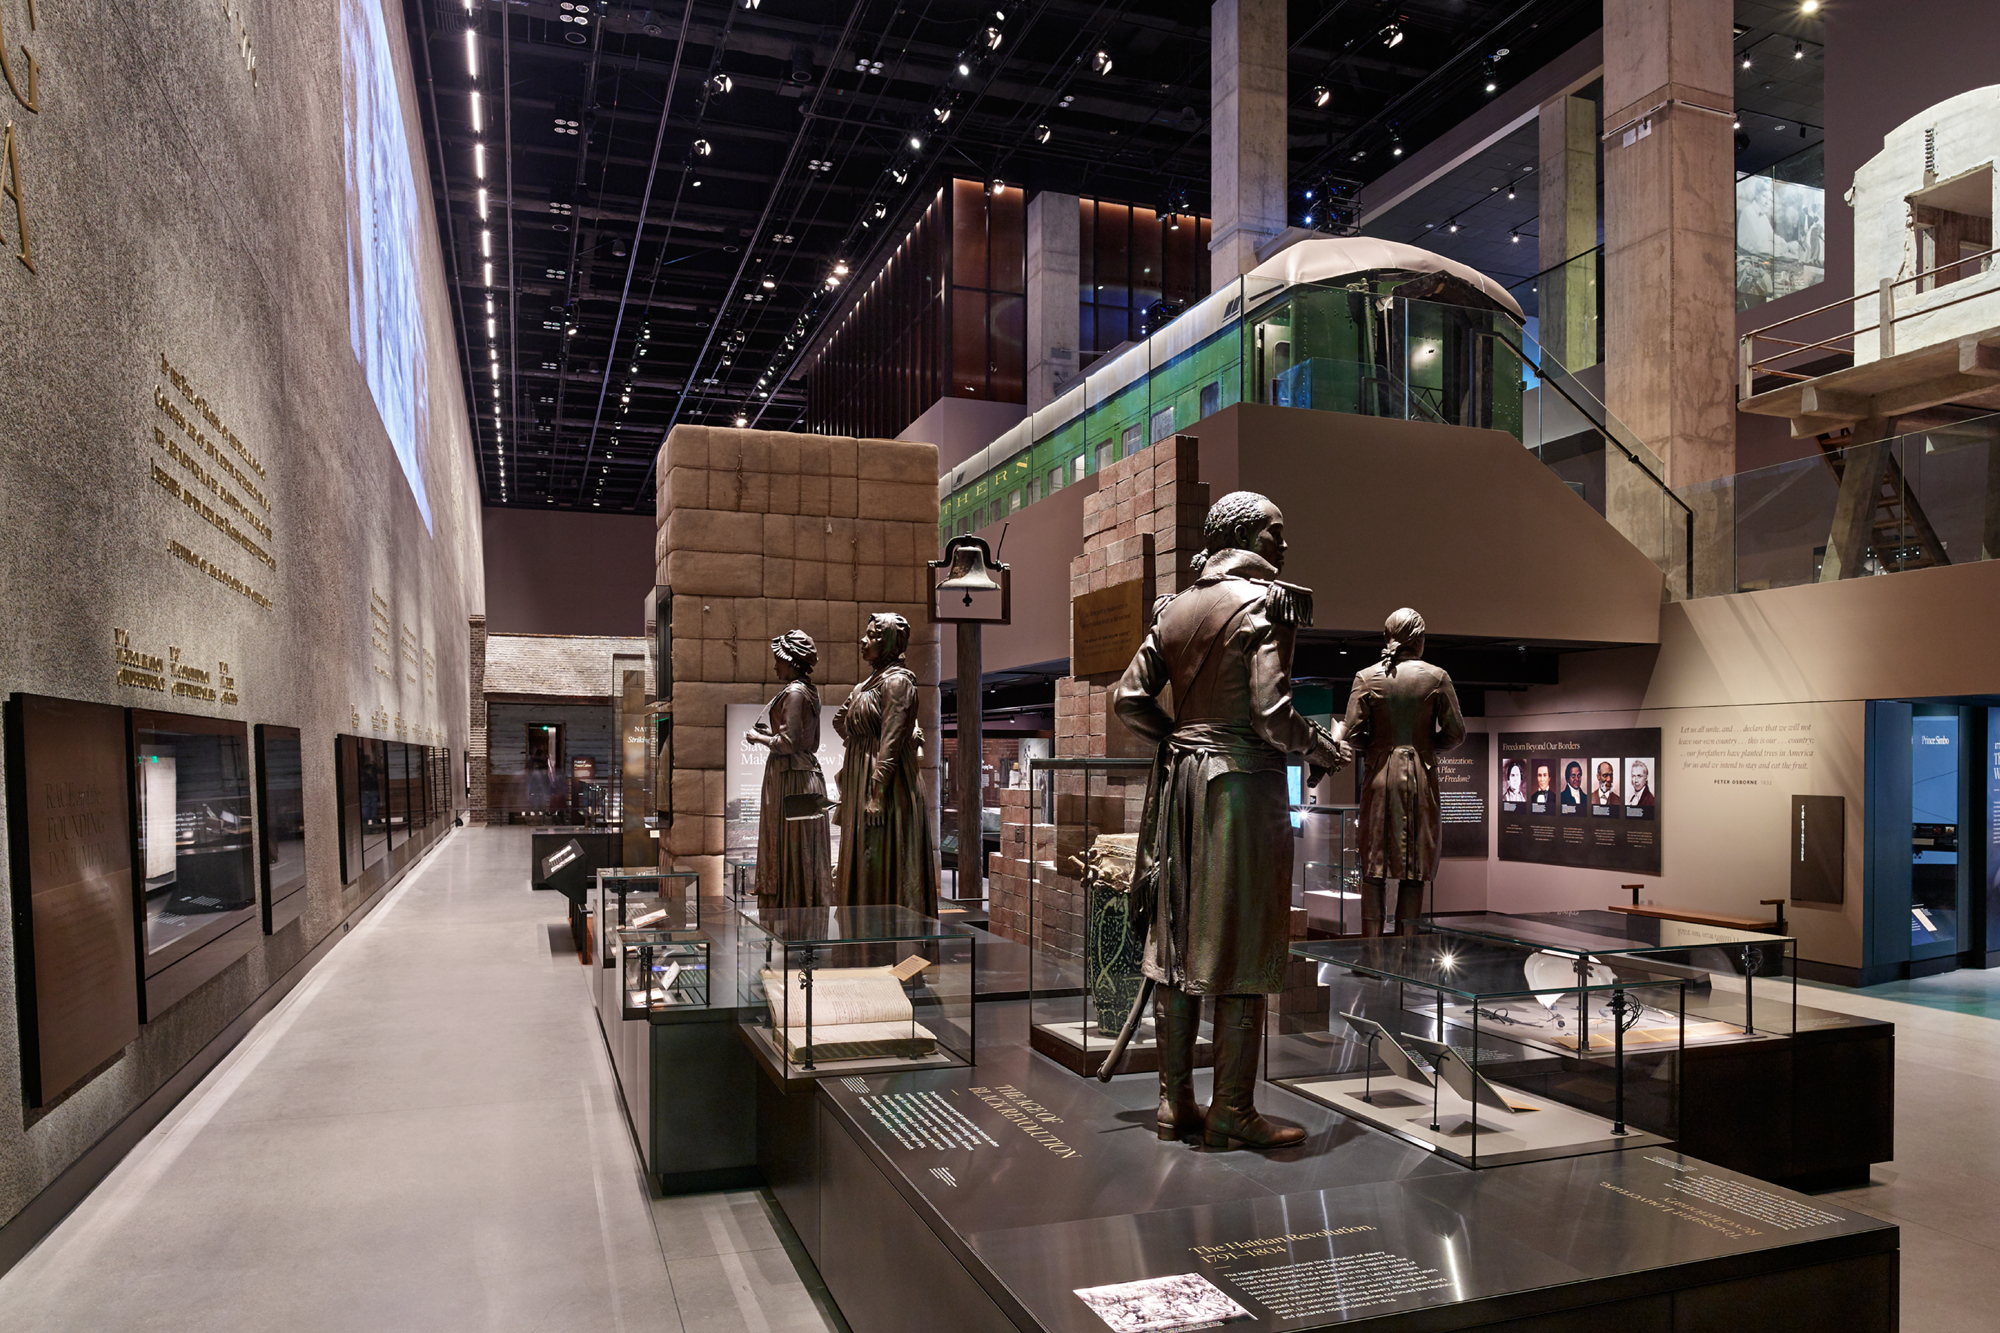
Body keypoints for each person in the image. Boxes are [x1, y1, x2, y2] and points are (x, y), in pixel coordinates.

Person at [1113, 491, 1348, 1151]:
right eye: (1277, 531)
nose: (1284, 544)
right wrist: (1322, 745)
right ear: (1245, 531)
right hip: (1241, 788)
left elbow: (1129, 698)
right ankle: (1233, 1109)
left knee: (1178, 941)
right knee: (1243, 943)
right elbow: (1273, 716)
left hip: (1181, 786)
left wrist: (1176, 740)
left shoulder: (1176, 608)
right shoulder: (1267, 602)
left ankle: (1173, 1101)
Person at [1343, 608, 1466, 939]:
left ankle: (1371, 954)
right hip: (1420, 778)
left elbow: (1352, 734)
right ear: (1419, 639)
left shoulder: (1366, 677)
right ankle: (1405, 956)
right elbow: (1456, 733)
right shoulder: (1437, 677)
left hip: (1379, 775)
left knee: (1373, 868)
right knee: (1414, 870)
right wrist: (1426, 746)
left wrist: (1377, 746)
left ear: (1389, 638)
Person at [832, 613, 939, 915]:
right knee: (862, 855)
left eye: (872, 636)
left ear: (888, 642)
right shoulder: (865, 685)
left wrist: (877, 794)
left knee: (878, 857)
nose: (863, 641)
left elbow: (891, 742)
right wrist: (860, 746)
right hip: (862, 774)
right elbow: (839, 720)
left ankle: (888, 943)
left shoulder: (897, 682)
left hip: (886, 786)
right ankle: (858, 941)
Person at [744, 631, 833, 909]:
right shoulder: (806, 691)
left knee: (792, 844)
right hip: (797, 775)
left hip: (792, 779)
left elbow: (788, 742)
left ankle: (791, 910)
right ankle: (797, 905)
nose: (775, 666)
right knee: (797, 844)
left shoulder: (795, 693)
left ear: (792, 662)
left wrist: (757, 737)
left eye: (778, 661)